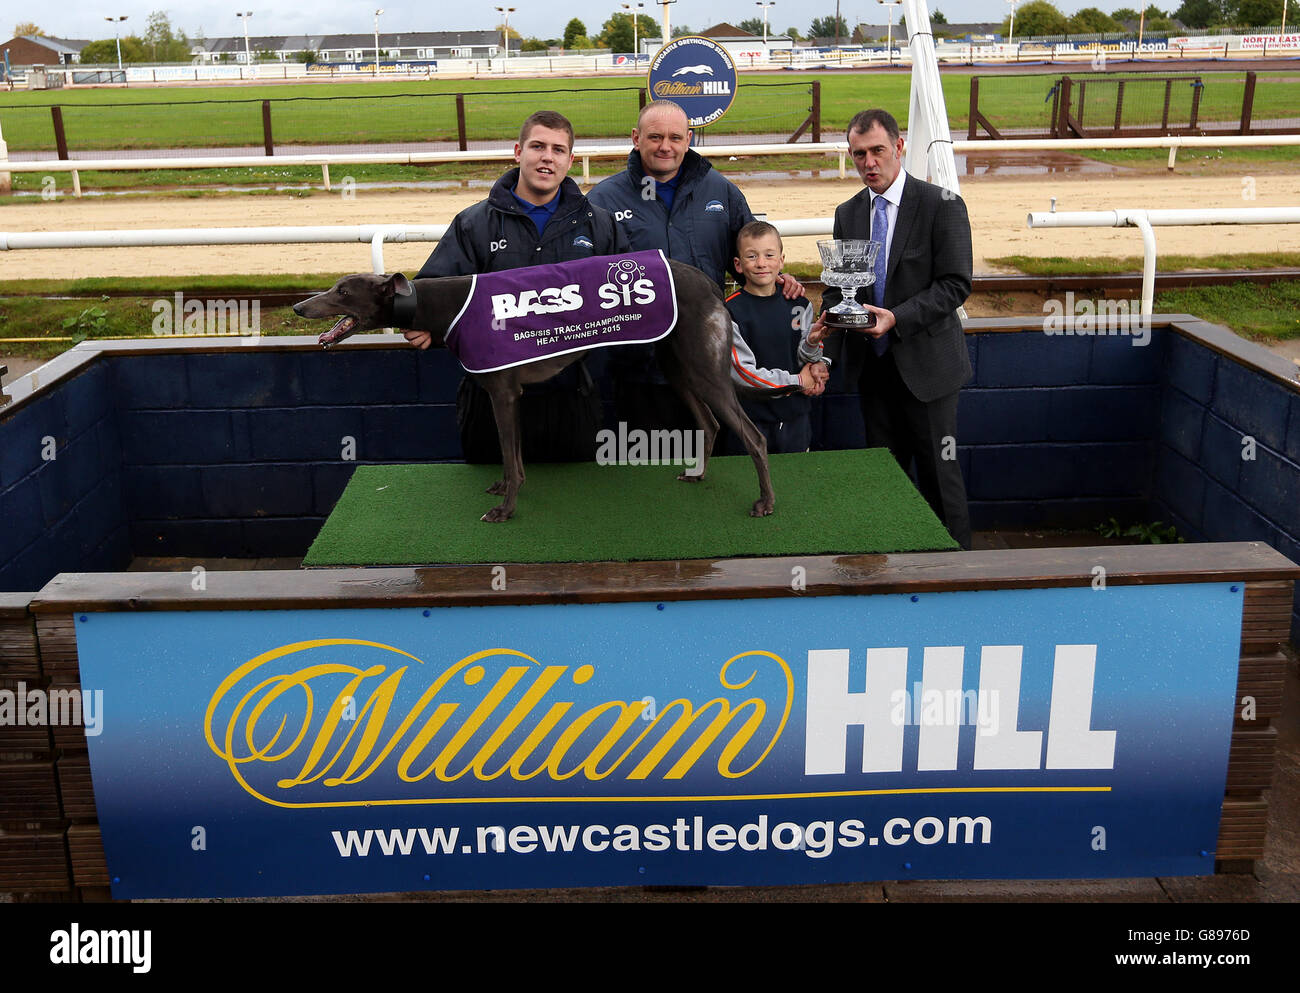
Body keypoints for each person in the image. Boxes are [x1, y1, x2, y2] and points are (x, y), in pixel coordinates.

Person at [405, 110, 628, 462]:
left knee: (576, 505)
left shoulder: (599, 225)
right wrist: (425, 324)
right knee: (488, 499)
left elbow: (628, 296)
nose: (546, 157)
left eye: (557, 150)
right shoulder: (474, 223)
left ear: (570, 160)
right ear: (517, 152)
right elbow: (432, 291)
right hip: (490, 396)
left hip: (572, 394)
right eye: (537, 146)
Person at [809, 108, 973, 549]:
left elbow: (955, 285)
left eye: (877, 151)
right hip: (873, 373)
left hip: (928, 372)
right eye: (858, 154)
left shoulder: (943, 205)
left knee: (941, 478)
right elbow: (840, 289)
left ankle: (958, 575)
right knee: (886, 479)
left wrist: (897, 317)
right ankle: (898, 572)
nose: (868, 163)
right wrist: (824, 344)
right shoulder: (848, 212)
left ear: (899, 147)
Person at [587, 99, 803, 432]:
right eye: (655, 137)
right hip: (637, 372)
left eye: (675, 137)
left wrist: (778, 279)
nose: (665, 146)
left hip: (707, 367)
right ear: (635, 138)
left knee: (707, 471)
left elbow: (750, 253)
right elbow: (587, 283)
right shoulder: (603, 199)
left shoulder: (720, 190)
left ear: (688, 140)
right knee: (647, 472)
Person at [725, 221, 828, 455]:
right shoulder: (730, 311)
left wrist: (813, 344)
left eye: (769, 255)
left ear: (781, 261)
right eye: (752, 256)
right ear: (738, 265)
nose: (761, 263)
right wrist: (798, 382)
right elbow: (743, 373)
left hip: (796, 418)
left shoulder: (799, 304)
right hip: (749, 421)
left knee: (796, 482)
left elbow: (807, 355)